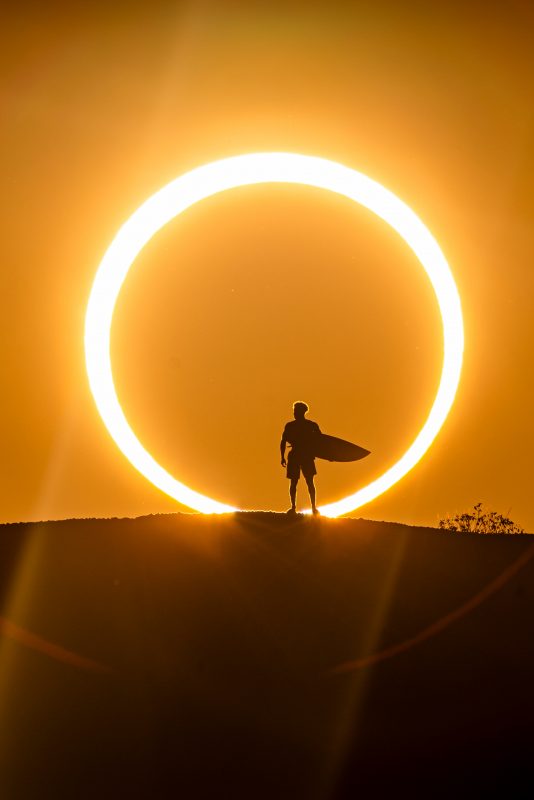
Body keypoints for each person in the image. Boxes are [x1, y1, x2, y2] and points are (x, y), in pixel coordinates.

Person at [280, 401, 321, 515]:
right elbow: (283, 441)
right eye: (294, 411)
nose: (294, 413)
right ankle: (293, 507)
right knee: (294, 482)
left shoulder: (311, 425)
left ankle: (313, 508)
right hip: (296, 456)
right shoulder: (290, 426)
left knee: (309, 482)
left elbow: (321, 441)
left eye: (296, 411)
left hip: (306, 456)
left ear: (302, 412)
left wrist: (327, 455)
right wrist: (282, 457)